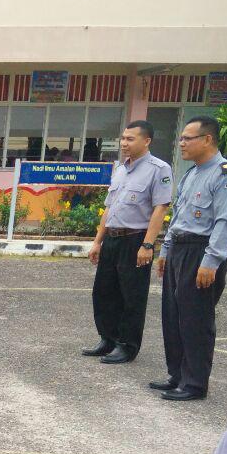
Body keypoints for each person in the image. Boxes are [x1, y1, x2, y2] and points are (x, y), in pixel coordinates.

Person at [150, 117, 227, 401]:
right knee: (173, 316)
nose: (181, 143)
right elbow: (178, 217)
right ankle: (177, 375)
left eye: (187, 138)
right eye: (180, 138)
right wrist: (166, 250)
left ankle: (194, 384)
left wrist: (211, 261)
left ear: (207, 139)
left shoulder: (226, 175)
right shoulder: (191, 174)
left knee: (196, 319)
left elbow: (225, 223)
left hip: (201, 252)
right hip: (180, 249)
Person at [81, 120, 173, 365]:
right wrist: (97, 241)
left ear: (147, 141)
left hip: (135, 241)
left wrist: (147, 245)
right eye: (123, 138)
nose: (124, 143)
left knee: (131, 296)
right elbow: (109, 208)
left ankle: (127, 345)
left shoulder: (159, 169)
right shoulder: (121, 169)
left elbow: (160, 208)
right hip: (112, 239)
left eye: (130, 139)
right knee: (103, 292)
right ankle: (107, 339)